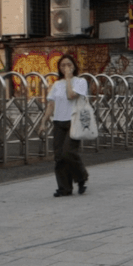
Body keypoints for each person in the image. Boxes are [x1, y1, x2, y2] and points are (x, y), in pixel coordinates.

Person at [39, 55, 90, 197]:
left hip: (74, 121)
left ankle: (81, 177)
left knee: (69, 152)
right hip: (58, 121)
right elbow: (51, 104)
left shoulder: (80, 82)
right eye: (63, 65)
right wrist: (43, 121)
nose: (66, 67)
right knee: (59, 156)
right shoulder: (56, 84)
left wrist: (68, 79)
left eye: (69, 64)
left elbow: (71, 95)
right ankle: (64, 188)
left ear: (74, 66)